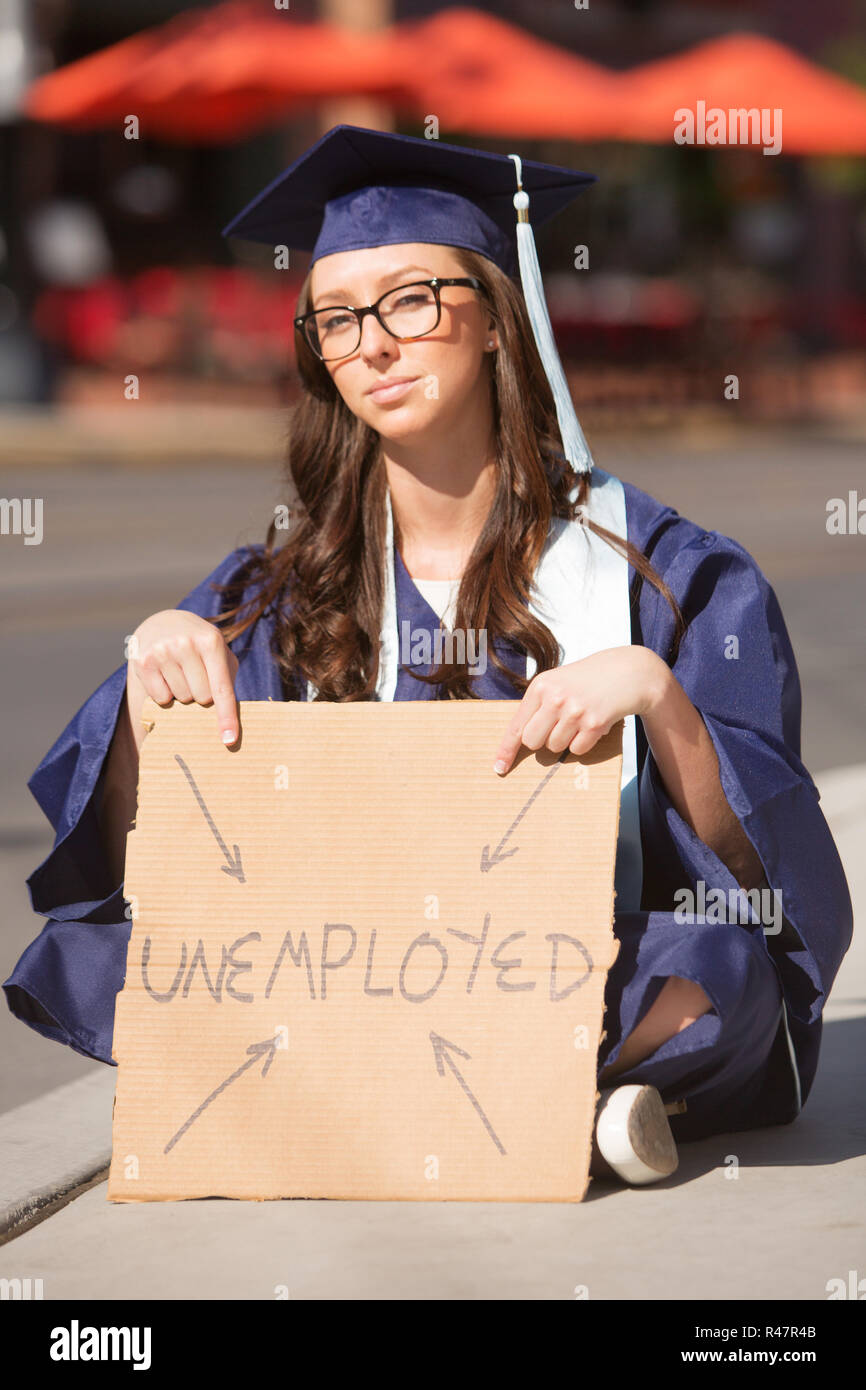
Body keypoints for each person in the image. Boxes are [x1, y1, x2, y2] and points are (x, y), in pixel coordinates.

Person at [4, 126, 852, 1188]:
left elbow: (752, 878)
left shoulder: (665, 575)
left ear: (497, 317)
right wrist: (150, 688)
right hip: (339, 973)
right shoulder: (265, 592)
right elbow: (148, 870)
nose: (373, 343)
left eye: (412, 299)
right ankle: (563, 1099)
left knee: (717, 970)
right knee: (101, 961)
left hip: (548, 969)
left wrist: (659, 701)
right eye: (337, 318)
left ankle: (407, 1092)